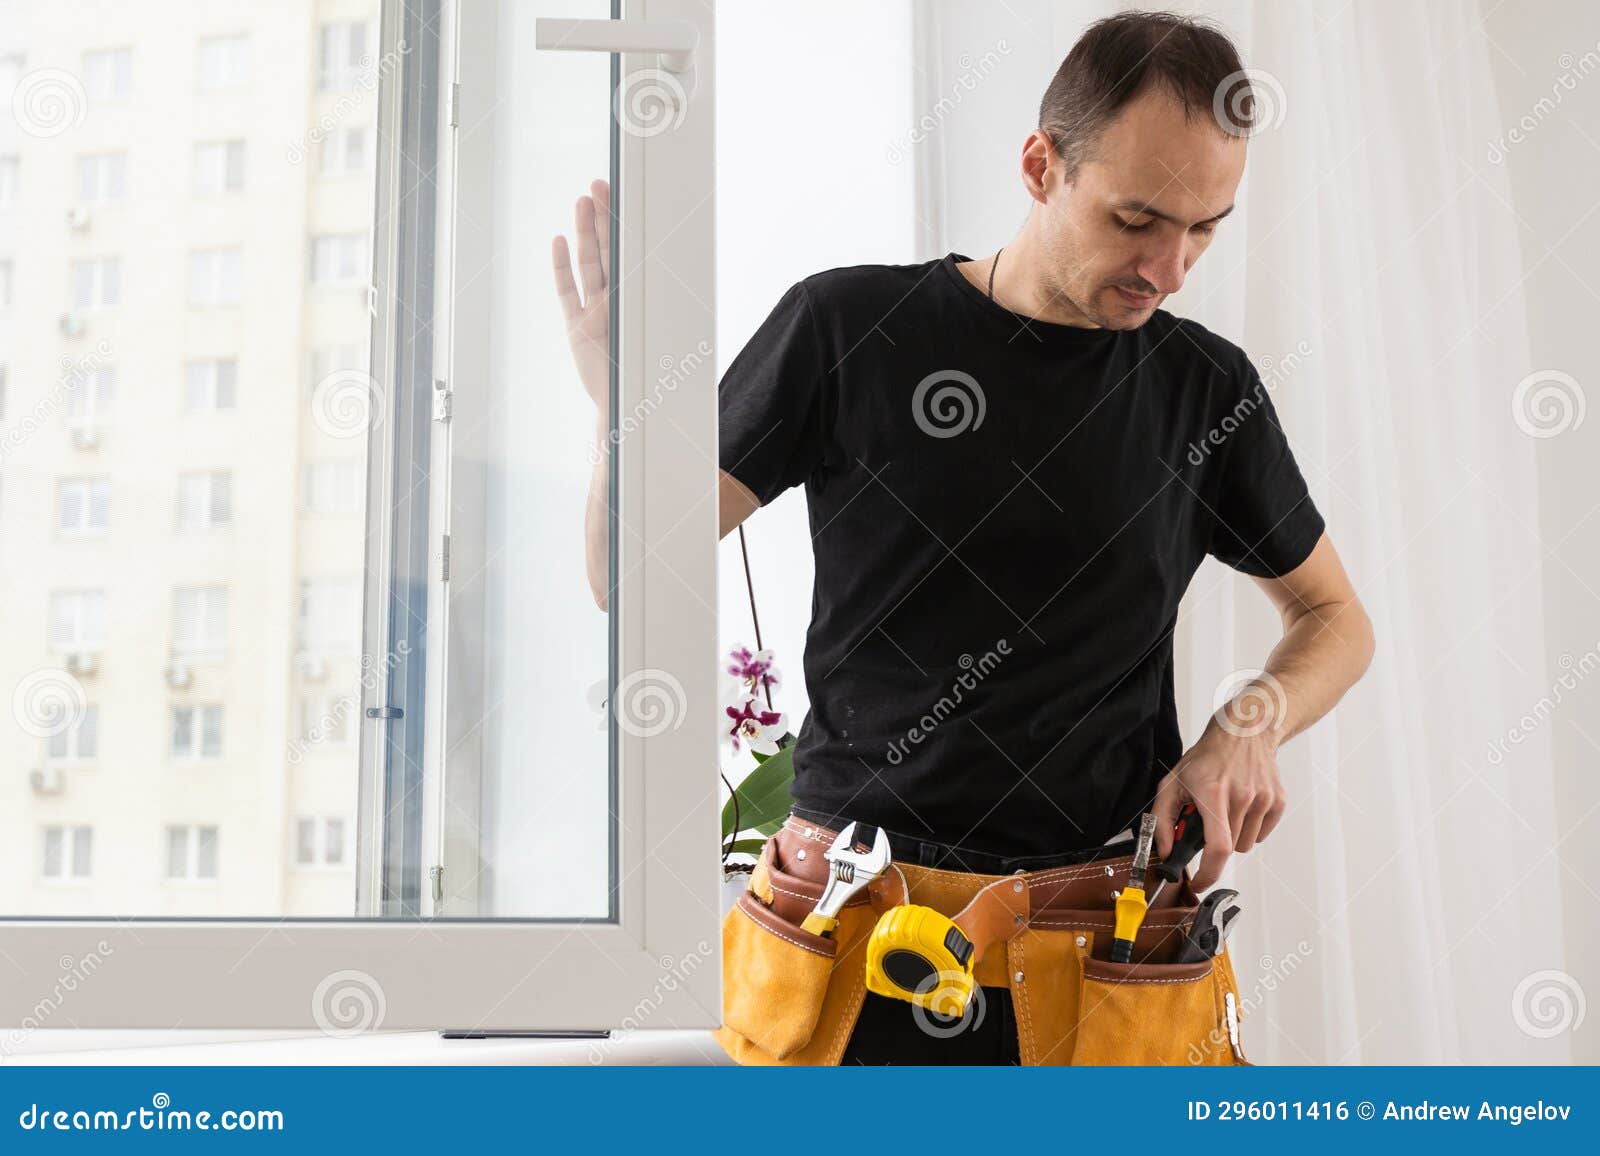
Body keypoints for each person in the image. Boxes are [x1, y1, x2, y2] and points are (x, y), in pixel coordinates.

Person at [553, 10, 1374, 1065]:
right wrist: (625, 412)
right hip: (851, 952)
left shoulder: (1202, 390)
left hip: (1100, 967)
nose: (1168, 267)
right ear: (1040, 166)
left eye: (1204, 227)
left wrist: (1246, 723)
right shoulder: (846, 331)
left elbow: (1333, 616)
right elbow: (627, 575)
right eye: (1136, 218)